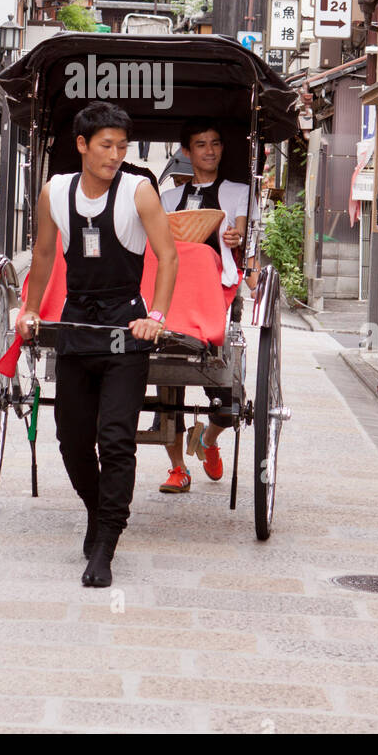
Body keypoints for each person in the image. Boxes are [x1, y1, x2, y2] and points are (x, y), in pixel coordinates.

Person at [16, 102, 178, 588]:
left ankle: (106, 542)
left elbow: (167, 257)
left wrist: (156, 316)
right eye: (105, 145)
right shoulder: (55, 192)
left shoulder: (139, 191)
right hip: (77, 324)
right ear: (82, 145)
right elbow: (44, 255)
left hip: (127, 329)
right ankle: (96, 508)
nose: (115, 155)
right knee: (70, 438)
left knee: (115, 439)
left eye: (122, 147)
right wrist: (30, 308)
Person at [156, 118, 254, 494]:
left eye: (215, 143)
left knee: (227, 396)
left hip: (217, 287)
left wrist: (235, 236)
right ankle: (178, 467)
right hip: (175, 289)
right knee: (168, 379)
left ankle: (209, 439)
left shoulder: (235, 192)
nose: (209, 150)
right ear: (186, 151)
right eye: (200, 144)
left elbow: (243, 236)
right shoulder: (167, 200)